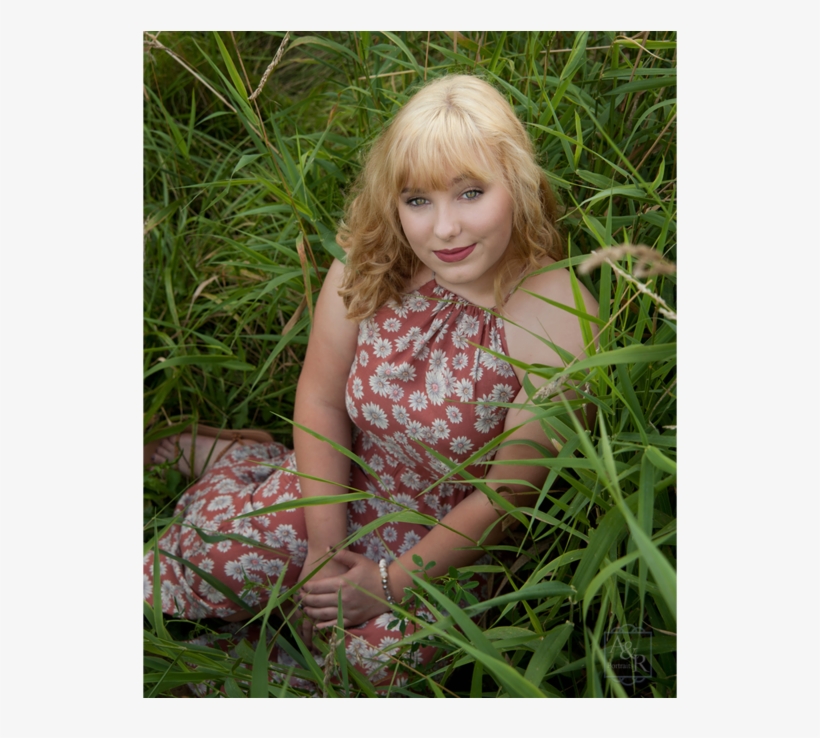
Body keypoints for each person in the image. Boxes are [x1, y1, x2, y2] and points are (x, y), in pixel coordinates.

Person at [144, 73, 597, 691]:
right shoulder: (374, 261)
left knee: (374, 666)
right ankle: (240, 463)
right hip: (343, 485)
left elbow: (506, 496)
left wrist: (386, 585)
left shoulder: (560, 313)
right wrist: (325, 554)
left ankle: (244, 487)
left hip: (450, 541)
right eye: (418, 200)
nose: (444, 230)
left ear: (513, 180)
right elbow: (323, 397)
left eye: (470, 193)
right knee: (194, 567)